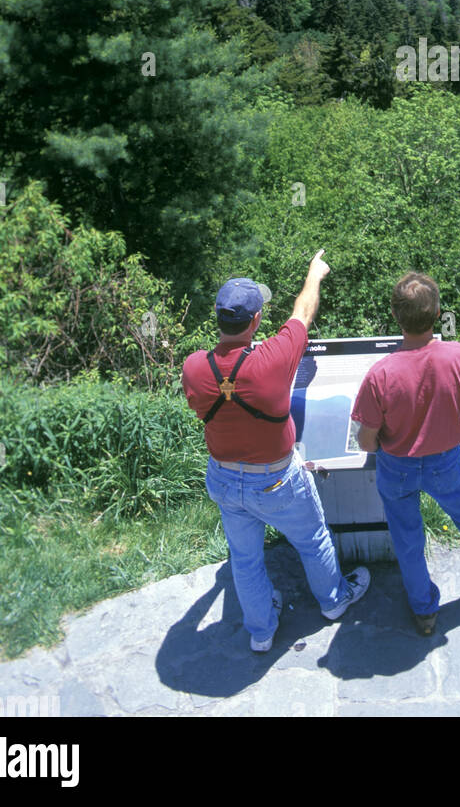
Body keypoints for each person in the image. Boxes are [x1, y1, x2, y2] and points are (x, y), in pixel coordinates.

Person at [182, 252, 369, 652]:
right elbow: (303, 312)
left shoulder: (194, 367)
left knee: (245, 560)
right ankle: (334, 602)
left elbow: (206, 403)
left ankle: (262, 632)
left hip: (224, 479)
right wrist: (314, 273)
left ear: (218, 319)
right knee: (313, 538)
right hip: (277, 480)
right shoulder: (271, 361)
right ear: (256, 321)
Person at [351, 271, 460, 635]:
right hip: (446, 462)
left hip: (397, 467)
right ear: (438, 313)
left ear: (395, 316)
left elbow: (366, 441)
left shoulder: (380, 373)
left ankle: (425, 612)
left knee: (407, 538)